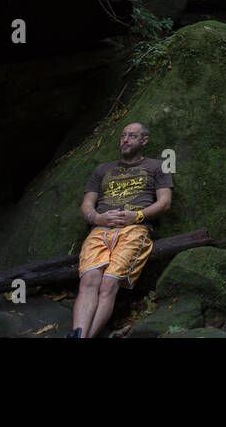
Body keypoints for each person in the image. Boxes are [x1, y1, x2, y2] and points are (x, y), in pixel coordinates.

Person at [66, 122, 172, 338]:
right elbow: (86, 205)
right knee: (88, 281)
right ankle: (78, 335)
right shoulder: (102, 169)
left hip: (133, 230)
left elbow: (165, 203)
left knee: (108, 283)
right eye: (123, 136)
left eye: (131, 136)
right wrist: (97, 217)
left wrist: (138, 216)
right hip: (100, 230)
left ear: (144, 140)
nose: (124, 139)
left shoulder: (157, 166)